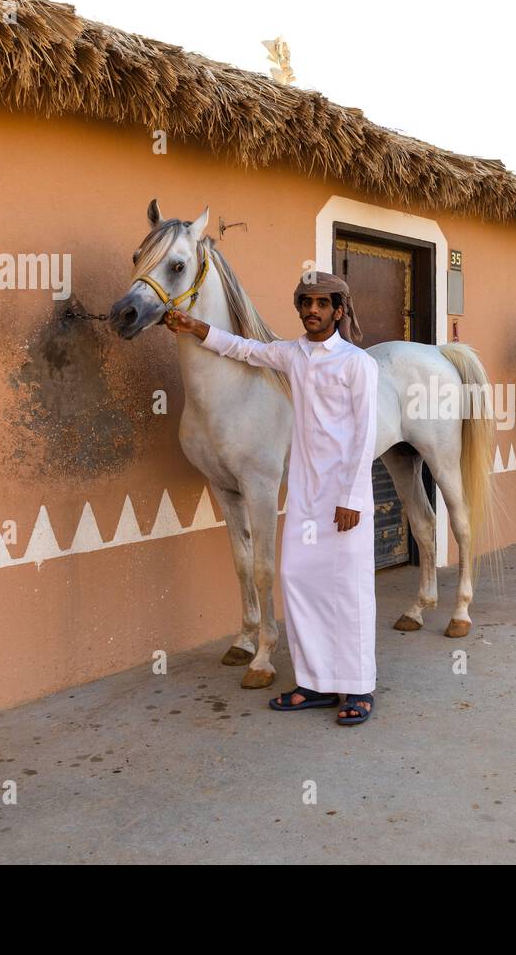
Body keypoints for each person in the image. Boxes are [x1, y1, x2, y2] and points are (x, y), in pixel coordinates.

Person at [163, 270, 379, 726]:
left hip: (345, 498)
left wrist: (353, 497)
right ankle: (316, 682)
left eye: (322, 304)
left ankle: (358, 688)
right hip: (304, 494)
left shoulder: (358, 364)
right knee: (298, 580)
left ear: (339, 312)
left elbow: (364, 436)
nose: (313, 311)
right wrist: (194, 326)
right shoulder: (293, 355)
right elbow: (244, 348)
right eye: (306, 303)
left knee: (348, 590)